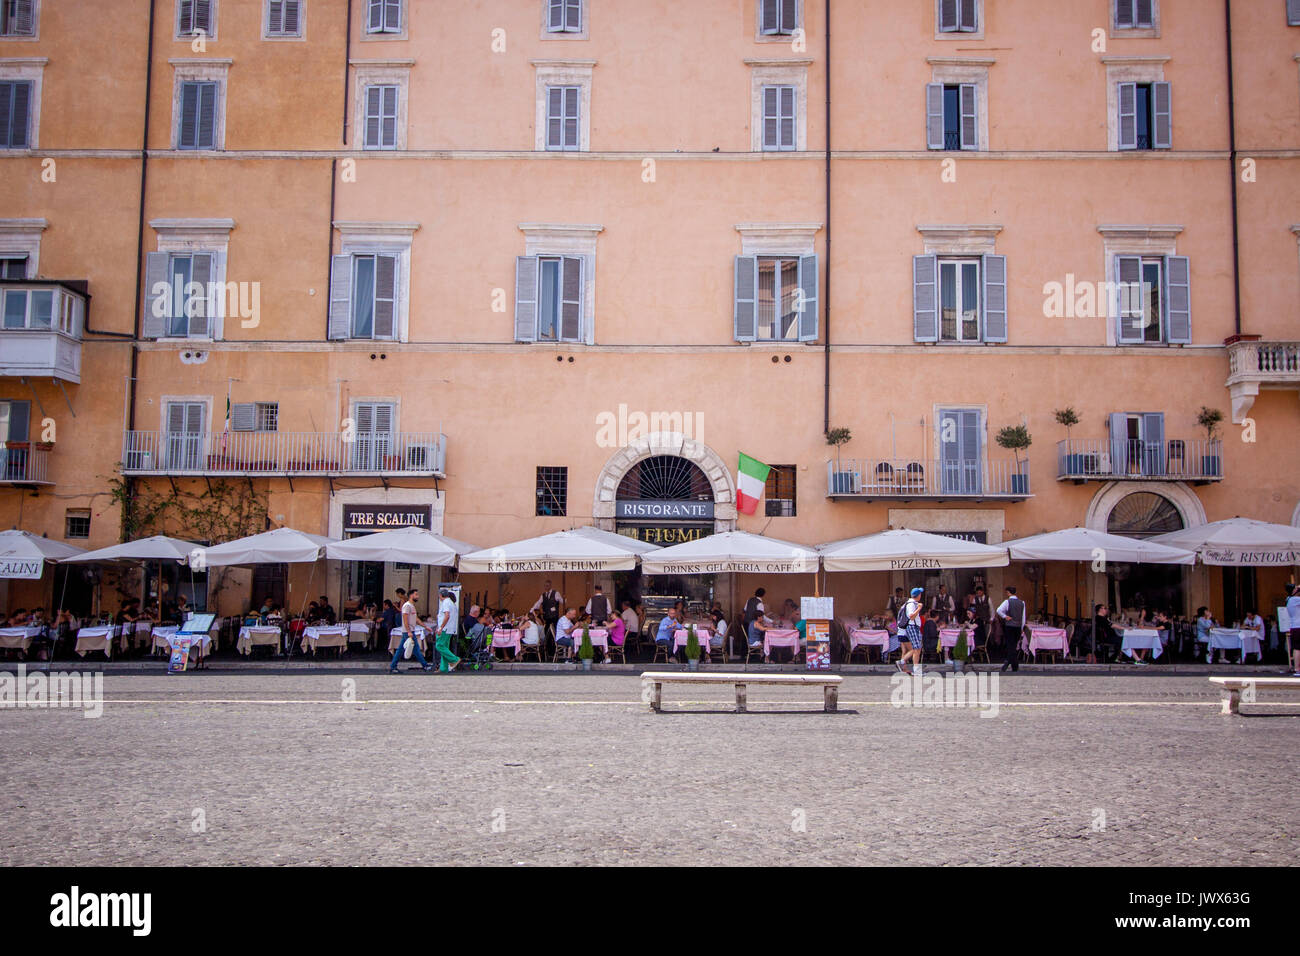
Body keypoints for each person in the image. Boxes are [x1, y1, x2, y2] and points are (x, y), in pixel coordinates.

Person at [389, 587, 434, 673]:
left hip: (409, 631)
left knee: (402, 649)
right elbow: (405, 619)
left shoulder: (412, 606)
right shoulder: (407, 606)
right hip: (408, 631)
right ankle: (425, 665)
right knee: (415, 649)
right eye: (416, 594)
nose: (418, 596)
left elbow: (416, 619)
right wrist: (409, 631)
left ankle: (393, 666)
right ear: (411, 596)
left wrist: (425, 627)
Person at [997, 585, 1026, 673]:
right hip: (1018, 626)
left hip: (1010, 626)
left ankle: (1007, 662)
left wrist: (1005, 616)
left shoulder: (1007, 602)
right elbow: (1023, 617)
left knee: (1011, 645)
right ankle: (1014, 666)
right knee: (1014, 646)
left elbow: (998, 610)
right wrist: (1022, 627)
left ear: (1008, 592)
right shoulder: (1022, 603)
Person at [434, 589, 461, 672]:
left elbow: (447, 615)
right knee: (445, 648)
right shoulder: (452, 603)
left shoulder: (445, 602)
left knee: (439, 645)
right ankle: (443, 668)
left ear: (441, 595)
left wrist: (441, 627)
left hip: (445, 629)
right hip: (450, 629)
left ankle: (454, 659)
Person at [897, 587, 924, 675]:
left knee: (917, 648)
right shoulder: (911, 604)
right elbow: (911, 616)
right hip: (912, 626)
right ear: (918, 595)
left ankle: (904, 663)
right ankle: (911, 667)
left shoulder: (912, 603)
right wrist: (919, 608)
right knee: (916, 648)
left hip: (913, 627)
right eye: (920, 594)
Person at [531, 580, 564, 650]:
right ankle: (548, 649)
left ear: (550, 585)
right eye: (545, 586)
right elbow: (538, 603)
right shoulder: (543, 595)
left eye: (548, 585)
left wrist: (564, 599)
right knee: (546, 633)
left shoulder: (556, 593)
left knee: (554, 633)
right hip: (546, 618)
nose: (546, 587)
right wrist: (531, 610)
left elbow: (562, 601)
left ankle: (555, 648)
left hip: (554, 617)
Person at [740, 587, 766, 657]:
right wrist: (772, 621)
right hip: (754, 623)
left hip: (746, 621)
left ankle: (744, 654)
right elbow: (762, 615)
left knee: (745, 638)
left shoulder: (749, 600)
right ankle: (759, 653)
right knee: (761, 634)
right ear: (763, 595)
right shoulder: (760, 604)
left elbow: (745, 610)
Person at [1285, 584, 1300, 676]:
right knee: (1298, 648)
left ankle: (1296, 668)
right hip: (1298, 626)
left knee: (1296, 648)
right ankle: (1297, 668)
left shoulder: (1289, 599)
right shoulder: (1294, 600)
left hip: (1294, 626)